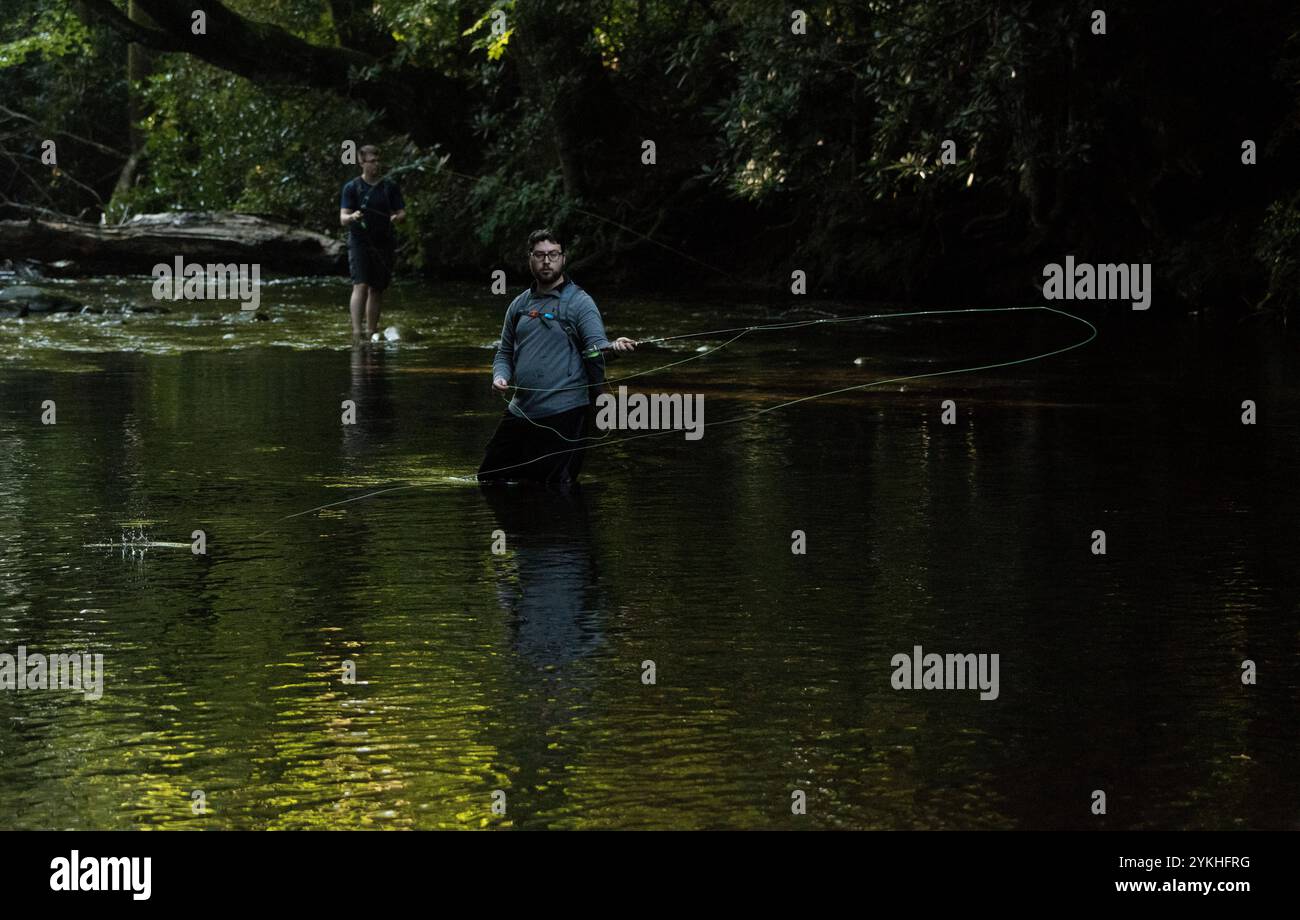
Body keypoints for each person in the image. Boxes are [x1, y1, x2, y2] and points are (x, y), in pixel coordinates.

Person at [478, 229, 636, 484]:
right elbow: (504, 352)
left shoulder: (581, 303)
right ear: (530, 259)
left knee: (552, 489)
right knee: (488, 478)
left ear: (563, 258)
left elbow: (595, 348)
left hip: (566, 414)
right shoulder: (518, 305)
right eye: (540, 255)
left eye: (553, 254)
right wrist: (500, 376)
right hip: (521, 410)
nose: (547, 261)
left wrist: (614, 347)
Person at [339, 145, 406, 340]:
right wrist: (353, 216)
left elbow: (402, 211)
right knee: (360, 284)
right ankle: (357, 332)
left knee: (377, 288)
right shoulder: (352, 187)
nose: (377, 164)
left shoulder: (389, 186)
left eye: (378, 160)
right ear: (362, 163)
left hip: (384, 241)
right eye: (372, 161)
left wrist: (397, 218)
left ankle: (371, 331)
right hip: (359, 241)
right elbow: (342, 218)